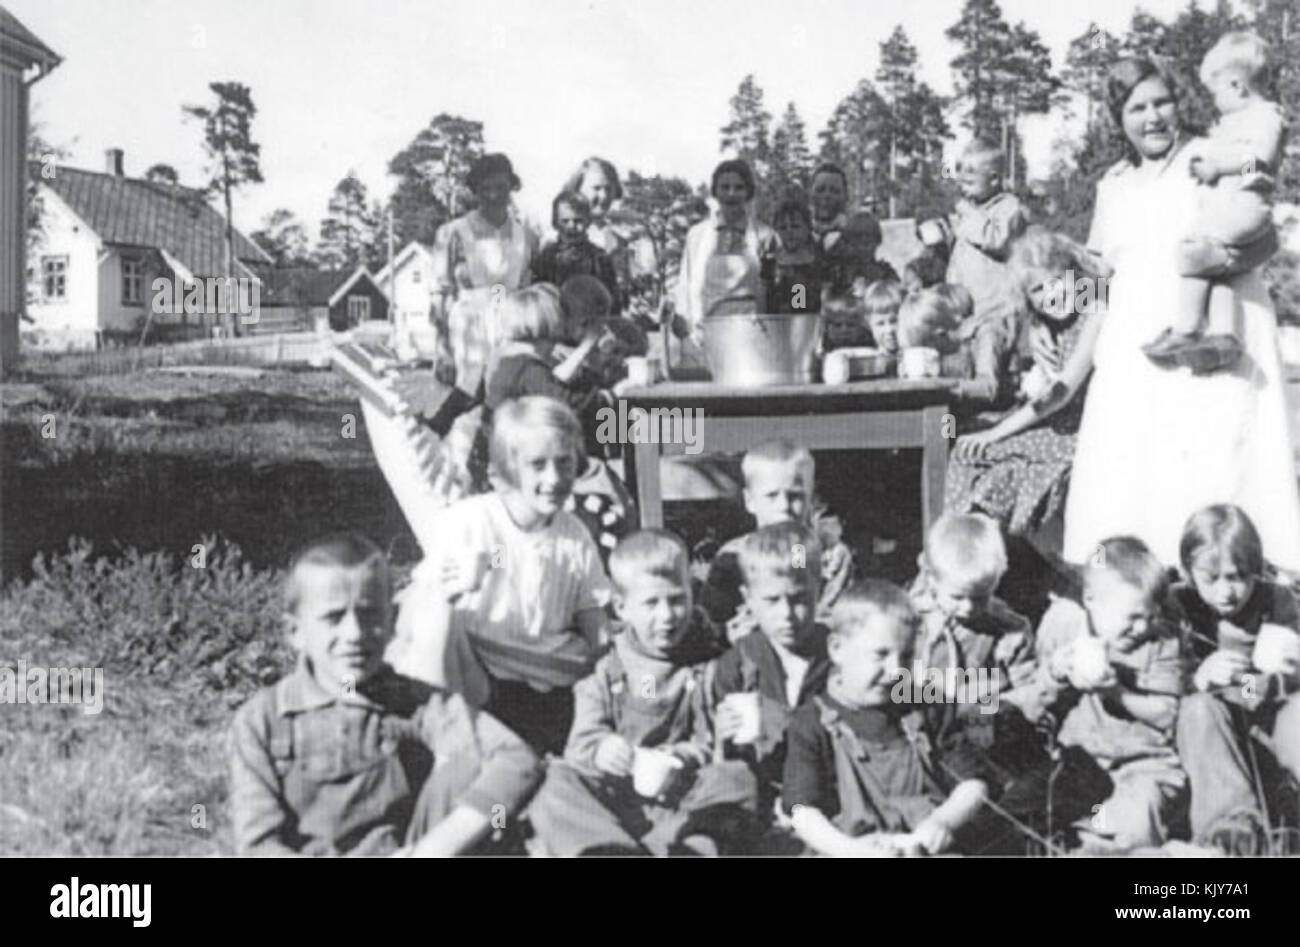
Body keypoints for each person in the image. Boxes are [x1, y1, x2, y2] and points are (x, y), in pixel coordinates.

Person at [1061, 56, 1300, 574]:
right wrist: (1064, 332)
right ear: (1118, 119)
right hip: (1135, 345)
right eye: (1137, 108)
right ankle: (1147, 602)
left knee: (1220, 470)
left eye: (1162, 103)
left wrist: (1234, 258)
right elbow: (1097, 277)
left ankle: (1236, 599)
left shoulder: (1210, 155)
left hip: (1215, 337)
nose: (1153, 118)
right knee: (1137, 481)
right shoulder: (1112, 184)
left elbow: (1265, 216)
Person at [229, 534, 541, 856]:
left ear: (392, 621)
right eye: (334, 618)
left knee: (477, 763)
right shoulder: (264, 720)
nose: (354, 634)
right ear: (295, 632)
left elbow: (518, 759)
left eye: (369, 615)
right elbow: (258, 846)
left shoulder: (412, 701)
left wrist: (434, 848)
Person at [389, 396, 613, 757]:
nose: (553, 478)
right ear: (506, 471)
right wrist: (450, 587)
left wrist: (614, 665)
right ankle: (440, 746)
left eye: (564, 463)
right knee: (432, 612)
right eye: (537, 465)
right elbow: (416, 605)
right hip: (478, 677)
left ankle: (501, 751)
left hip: (549, 685)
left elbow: (593, 617)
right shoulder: (472, 522)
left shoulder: (574, 535)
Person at [524, 530, 757, 855]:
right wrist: (603, 749)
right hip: (615, 798)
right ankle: (610, 849)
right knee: (553, 781)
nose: (666, 616)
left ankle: (688, 847)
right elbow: (580, 743)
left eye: (677, 599)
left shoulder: (704, 663)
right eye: (651, 603)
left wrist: (681, 756)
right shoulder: (605, 667)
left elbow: (707, 741)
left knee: (736, 779)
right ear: (622, 607)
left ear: (692, 594)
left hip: (681, 797)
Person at [782, 580, 989, 857]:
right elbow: (800, 810)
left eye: (905, 656)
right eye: (880, 655)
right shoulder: (811, 722)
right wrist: (850, 850)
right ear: (837, 649)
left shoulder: (926, 704)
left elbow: (974, 783)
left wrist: (943, 822)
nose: (895, 671)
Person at [1011, 537, 1189, 852]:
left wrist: (1116, 693)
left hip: (1141, 768)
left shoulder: (1161, 643)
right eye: (1132, 617)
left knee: (1136, 822)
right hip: (1078, 767)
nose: (1142, 627)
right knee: (1020, 810)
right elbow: (1035, 703)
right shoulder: (1065, 627)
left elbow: (1167, 714)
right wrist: (1055, 674)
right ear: (1091, 600)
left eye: (1149, 616)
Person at [944, 227, 1107, 543]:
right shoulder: (1051, 319)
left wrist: (995, 433)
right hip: (1057, 427)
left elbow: (1060, 393)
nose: (1051, 295)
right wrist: (1035, 324)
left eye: (1058, 282)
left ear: (1076, 277)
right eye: (1038, 291)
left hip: (1081, 431)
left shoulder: (1094, 310)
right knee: (966, 450)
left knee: (981, 452)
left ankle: (960, 549)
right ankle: (957, 549)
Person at [1143, 32, 1285, 374]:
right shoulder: (1232, 121)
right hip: (1228, 207)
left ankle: (1186, 329)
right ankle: (1223, 334)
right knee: (1216, 268)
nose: (1215, 100)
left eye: (1216, 91)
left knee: (1192, 253)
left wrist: (1219, 167)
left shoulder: (1266, 116)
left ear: (1237, 85)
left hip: (1243, 206)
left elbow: (1261, 161)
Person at [1171, 505, 1300, 850]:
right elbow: (1163, 675)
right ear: (1187, 571)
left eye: (1238, 576)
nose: (1225, 592)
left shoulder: (1276, 601)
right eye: (1211, 579)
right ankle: (1231, 830)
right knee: (1199, 710)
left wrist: (1249, 684)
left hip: (1268, 716)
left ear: (1256, 569)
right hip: (1211, 728)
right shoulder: (1178, 606)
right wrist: (1199, 677)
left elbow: (1291, 674)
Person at [708, 522, 833, 809]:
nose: (786, 614)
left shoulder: (838, 655)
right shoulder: (738, 663)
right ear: (748, 598)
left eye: (799, 598)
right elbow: (722, 763)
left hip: (826, 794)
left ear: (820, 590)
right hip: (757, 796)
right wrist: (721, 738)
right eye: (772, 600)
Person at [907, 515, 1038, 786]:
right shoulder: (910, 621)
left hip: (978, 733)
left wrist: (993, 701)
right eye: (957, 597)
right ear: (932, 578)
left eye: (980, 597)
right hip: (917, 727)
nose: (967, 608)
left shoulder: (1006, 630)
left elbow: (1022, 689)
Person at [699, 439, 855, 635]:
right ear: (750, 501)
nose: (784, 507)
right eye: (772, 496)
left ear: (810, 497)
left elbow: (839, 618)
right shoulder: (733, 558)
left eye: (795, 496)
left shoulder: (828, 555)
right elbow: (714, 621)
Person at [433, 153, 538, 397]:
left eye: (500, 187)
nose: (493, 195)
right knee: (468, 401)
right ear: (475, 190)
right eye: (485, 188)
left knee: (511, 401)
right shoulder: (452, 233)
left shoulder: (528, 237)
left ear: (512, 187)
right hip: (469, 329)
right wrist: (442, 349)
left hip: (513, 326)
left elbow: (530, 292)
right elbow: (441, 295)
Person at [675, 159, 779, 354]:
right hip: (706, 331)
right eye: (725, 187)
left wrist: (800, 308)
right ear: (715, 191)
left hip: (752, 332)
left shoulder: (765, 235)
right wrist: (681, 318)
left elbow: (789, 287)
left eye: (739, 187)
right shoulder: (697, 235)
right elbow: (685, 282)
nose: (731, 194)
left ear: (749, 193)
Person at [945, 138, 1030, 341]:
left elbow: (997, 240)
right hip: (968, 308)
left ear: (993, 179)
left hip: (998, 310)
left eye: (970, 183)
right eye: (962, 183)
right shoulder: (972, 211)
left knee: (992, 351)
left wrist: (970, 214)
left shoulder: (1009, 207)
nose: (964, 189)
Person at [898, 285, 1014, 415]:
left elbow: (989, 388)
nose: (927, 353)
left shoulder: (987, 334)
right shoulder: (945, 344)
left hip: (996, 416)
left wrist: (943, 377)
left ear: (940, 334)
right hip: (954, 413)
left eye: (926, 347)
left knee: (945, 430)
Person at [530, 191, 622, 311]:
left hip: (590, 319)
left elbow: (612, 300)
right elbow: (537, 296)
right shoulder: (547, 257)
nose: (571, 226)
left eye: (578, 221)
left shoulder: (599, 258)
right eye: (565, 221)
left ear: (588, 222)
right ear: (555, 223)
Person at [762, 198, 822, 314]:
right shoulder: (770, 263)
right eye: (783, 227)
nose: (789, 231)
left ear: (808, 228)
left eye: (795, 226)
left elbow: (799, 305)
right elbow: (762, 299)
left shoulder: (816, 262)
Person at [821, 211, 898, 298]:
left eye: (868, 242)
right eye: (858, 241)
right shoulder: (838, 272)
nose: (864, 247)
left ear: (877, 241)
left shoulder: (885, 273)